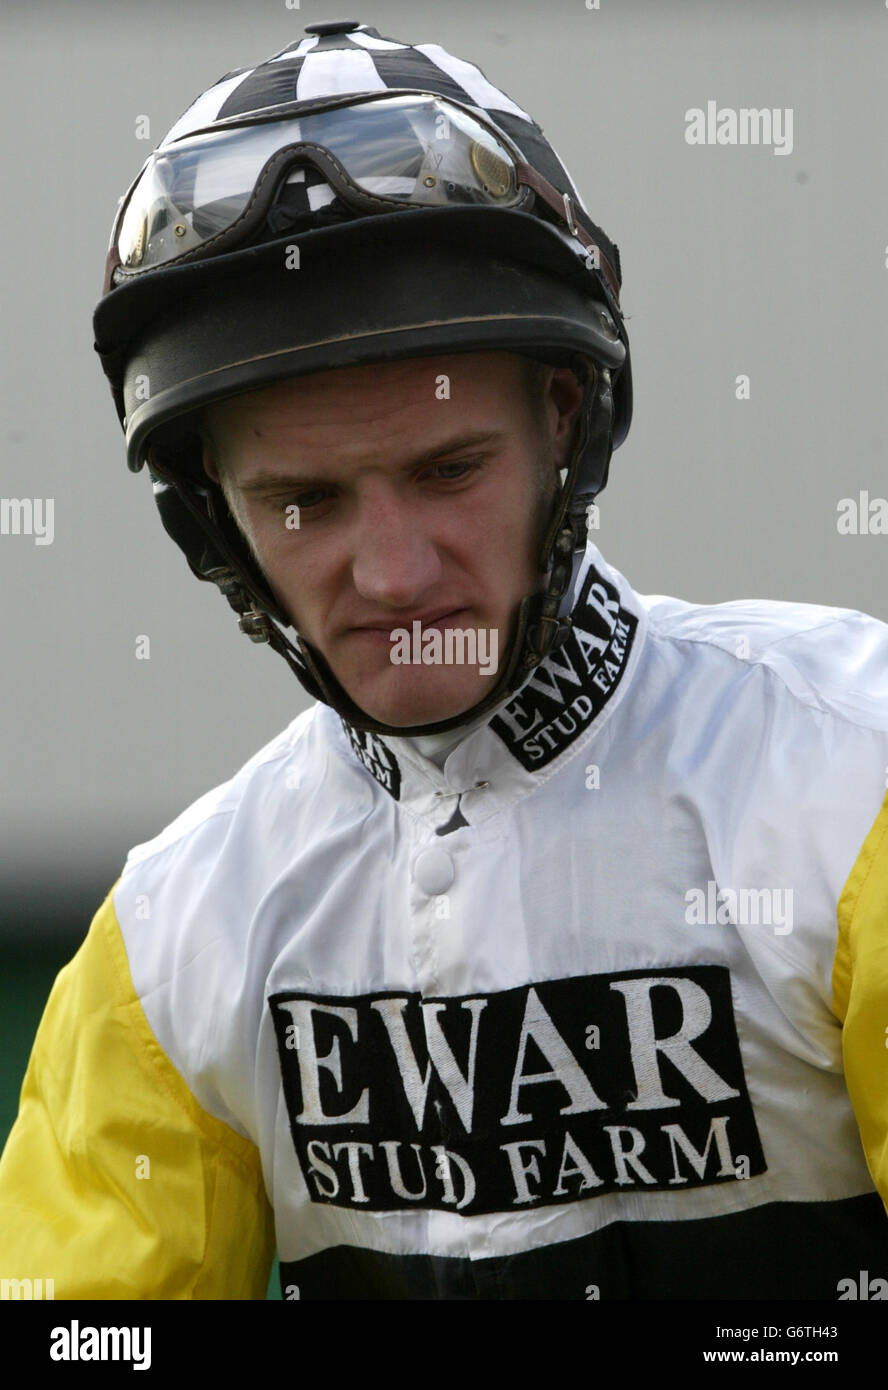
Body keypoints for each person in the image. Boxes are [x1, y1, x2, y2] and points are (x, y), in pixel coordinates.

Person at [1, 18, 886, 1302]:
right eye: (305, 501)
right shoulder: (169, 943)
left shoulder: (850, 785)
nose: (397, 573)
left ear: (565, 427)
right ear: (216, 521)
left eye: (449, 469)